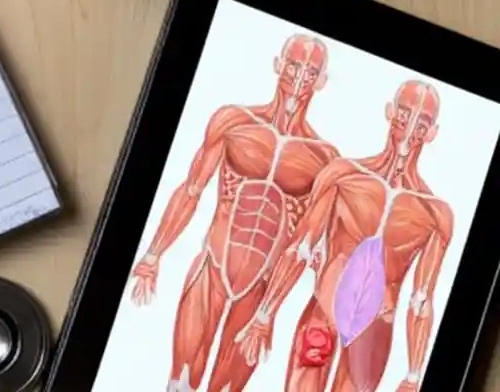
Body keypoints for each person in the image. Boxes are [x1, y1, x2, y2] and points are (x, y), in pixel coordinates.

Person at [131, 35, 339, 391]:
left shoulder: (325, 160)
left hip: (261, 285)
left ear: (321, 81)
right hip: (213, 264)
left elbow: (303, 246)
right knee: (180, 381)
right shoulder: (233, 121)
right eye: (294, 64)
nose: (301, 76)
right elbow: (191, 189)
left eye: (311, 70)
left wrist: (267, 313)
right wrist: (153, 254)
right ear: (278, 64)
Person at [235, 81, 452, 392]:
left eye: (422, 123)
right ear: (390, 112)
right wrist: (265, 314)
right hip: (323, 313)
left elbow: (422, 300)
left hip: (373, 332)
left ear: (432, 133)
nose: (410, 130)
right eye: (405, 115)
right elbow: (302, 246)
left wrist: (415, 374)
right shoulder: (343, 175)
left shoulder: (435, 214)